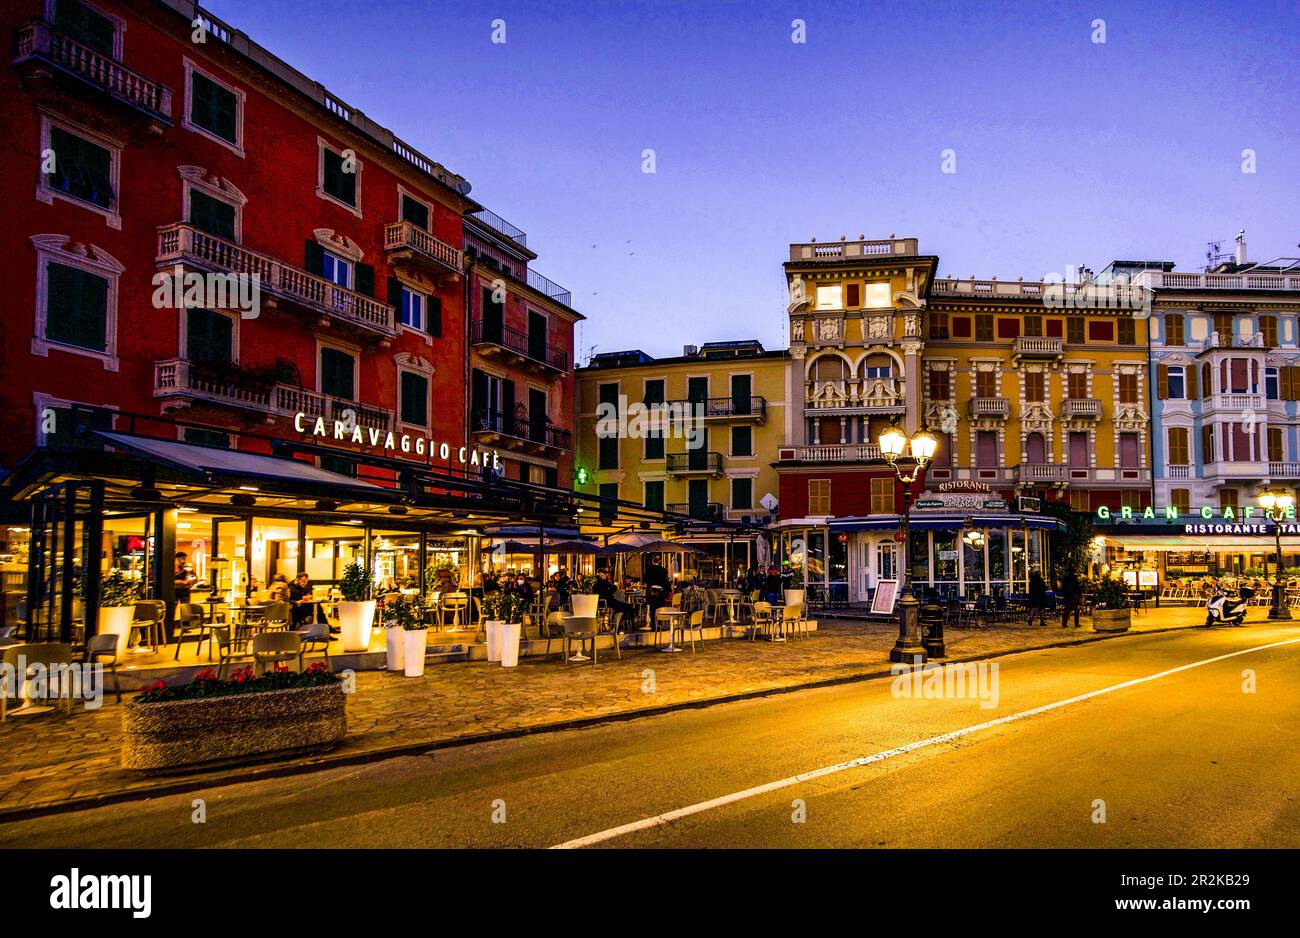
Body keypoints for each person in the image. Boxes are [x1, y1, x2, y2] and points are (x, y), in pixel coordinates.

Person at [643, 558, 671, 626]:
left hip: (651, 591)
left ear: (653, 561)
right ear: (659, 562)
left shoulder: (648, 569)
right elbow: (665, 582)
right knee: (660, 607)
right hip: (661, 592)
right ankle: (660, 623)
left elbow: (645, 579)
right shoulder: (663, 569)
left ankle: (653, 625)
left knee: (652, 609)